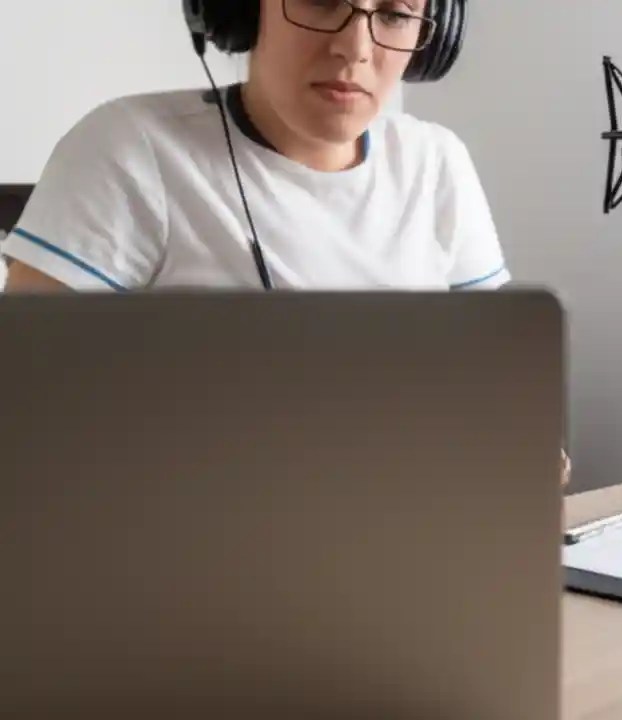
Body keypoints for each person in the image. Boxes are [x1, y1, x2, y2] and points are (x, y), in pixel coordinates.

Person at [1, 0, 570, 486]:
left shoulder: (436, 160)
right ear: (242, 10)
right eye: (322, 0)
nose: (356, 48)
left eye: (396, 14)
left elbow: (497, 386)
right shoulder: (132, 147)